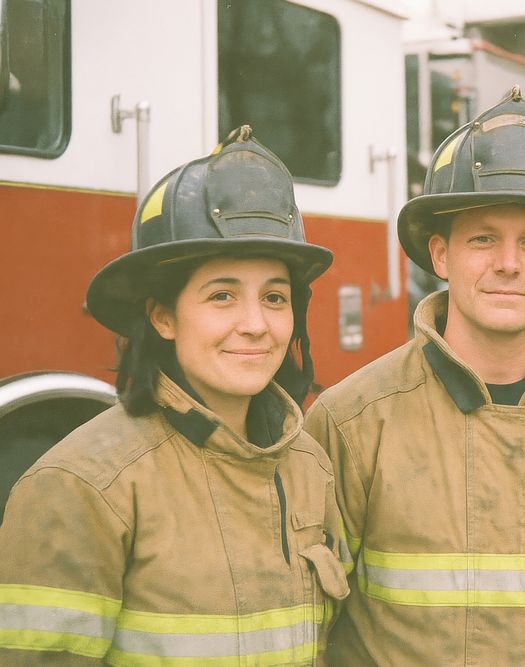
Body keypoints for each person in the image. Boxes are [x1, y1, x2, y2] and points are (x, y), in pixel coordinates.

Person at [305, 86, 525, 664]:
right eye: (482, 239)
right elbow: (311, 632)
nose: (507, 262)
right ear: (440, 256)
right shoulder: (351, 422)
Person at [0, 127, 351, 664]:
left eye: (275, 298)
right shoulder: (80, 487)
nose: (255, 324)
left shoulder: (309, 468)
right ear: (162, 316)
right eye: (222, 295)